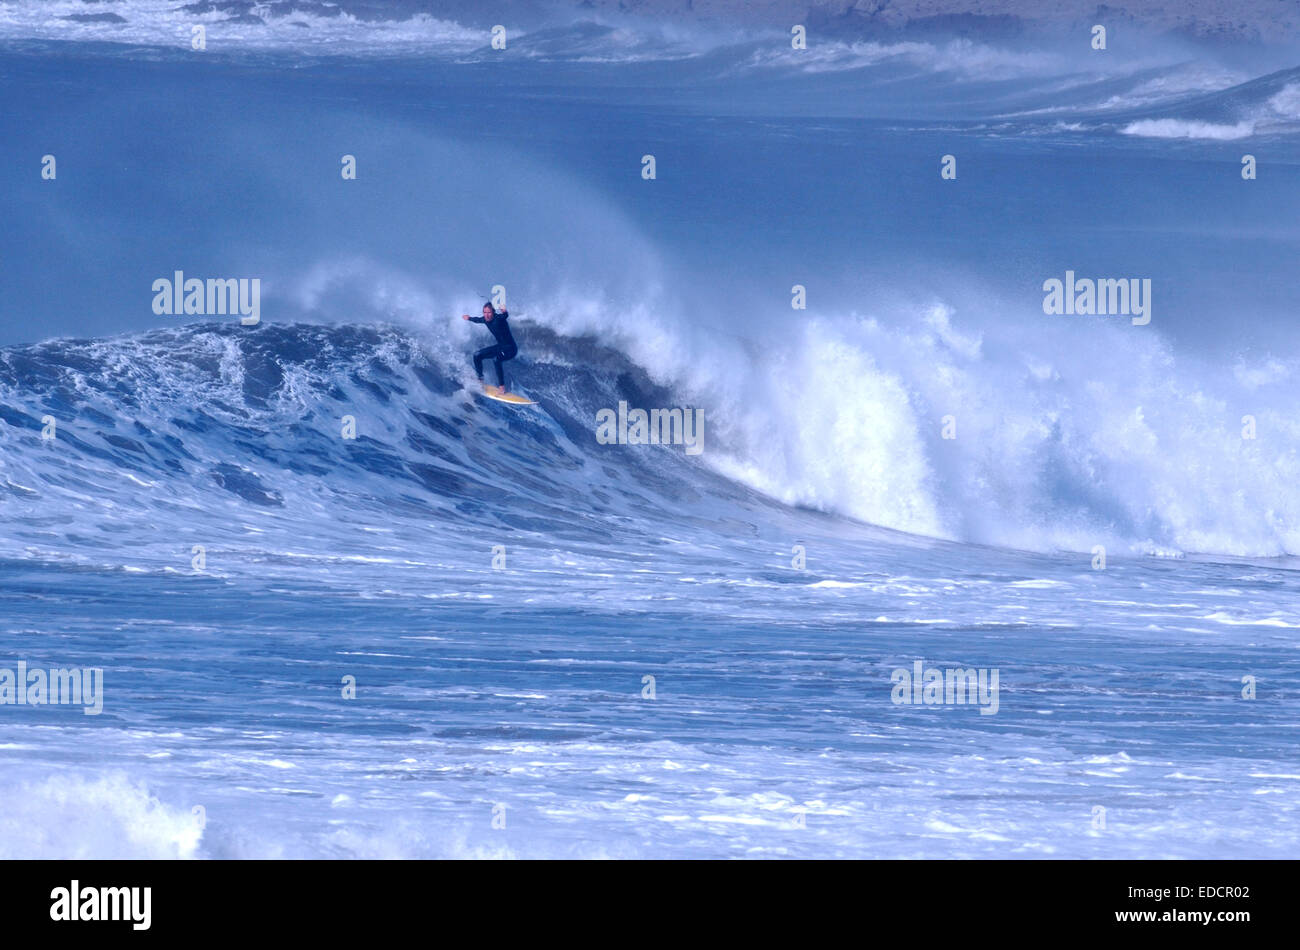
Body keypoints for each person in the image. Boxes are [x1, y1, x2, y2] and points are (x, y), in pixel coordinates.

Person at [462, 303, 518, 392]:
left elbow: (505, 316)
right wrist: (469, 318)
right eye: (484, 312)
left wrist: (504, 310)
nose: (486, 315)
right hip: (500, 346)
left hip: (511, 349)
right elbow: (477, 319)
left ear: (493, 312)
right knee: (477, 355)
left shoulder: (498, 319)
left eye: (489, 312)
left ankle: (502, 387)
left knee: (496, 359)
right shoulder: (485, 319)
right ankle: (480, 379)